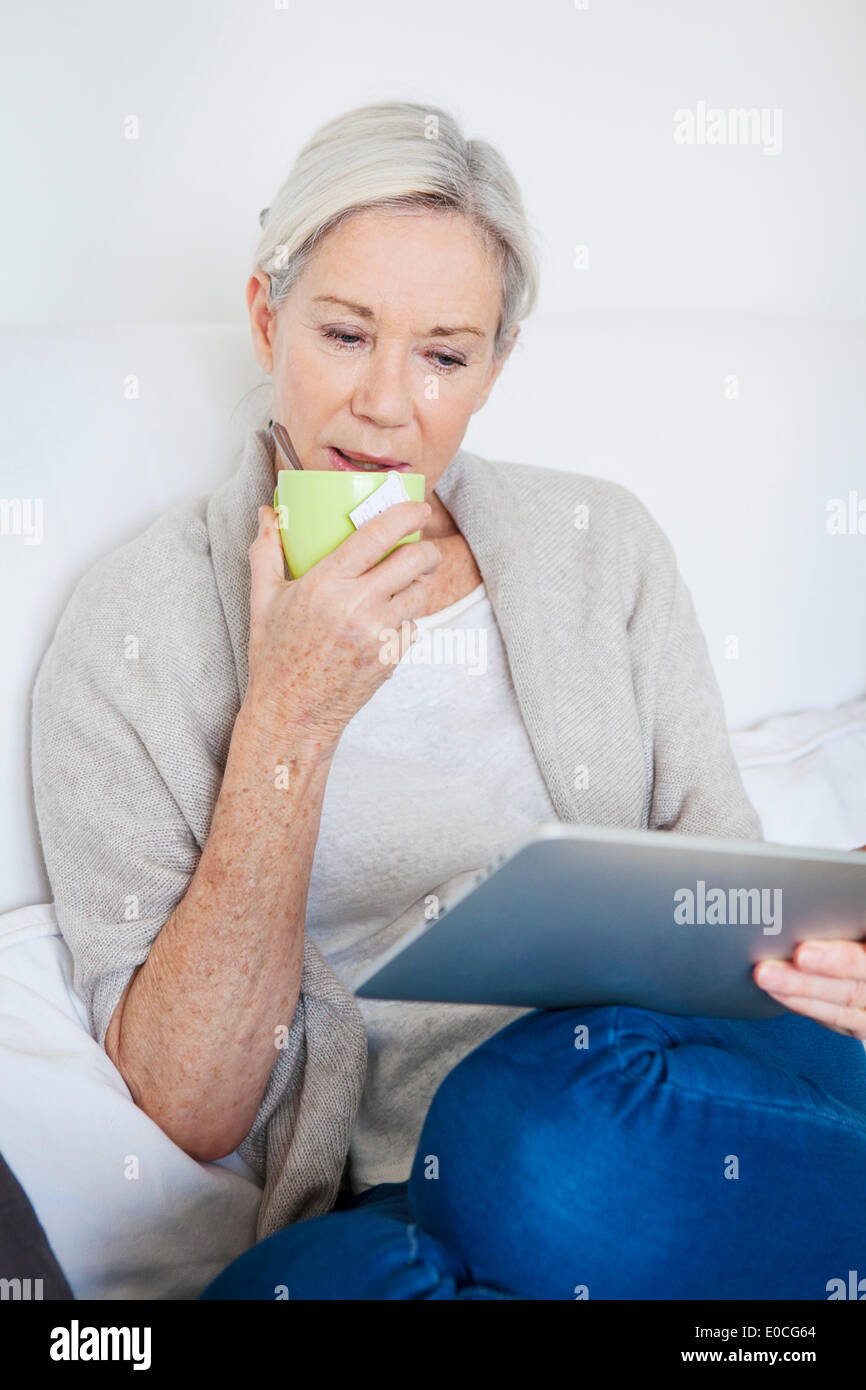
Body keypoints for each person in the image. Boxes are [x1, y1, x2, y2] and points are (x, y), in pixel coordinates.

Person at [31, 100, 866, 1301]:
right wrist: (291, 716)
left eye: (441, 354)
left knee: (530, 1139)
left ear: (494, 366)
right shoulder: (131, 633)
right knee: (289, 1290)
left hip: (645, 1099)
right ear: (266, 317)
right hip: (403, 1193)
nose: (385, 403)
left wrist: (822, 962)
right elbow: (192, 1104)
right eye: (342, 333)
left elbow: (719, 893)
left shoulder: (601, 545)